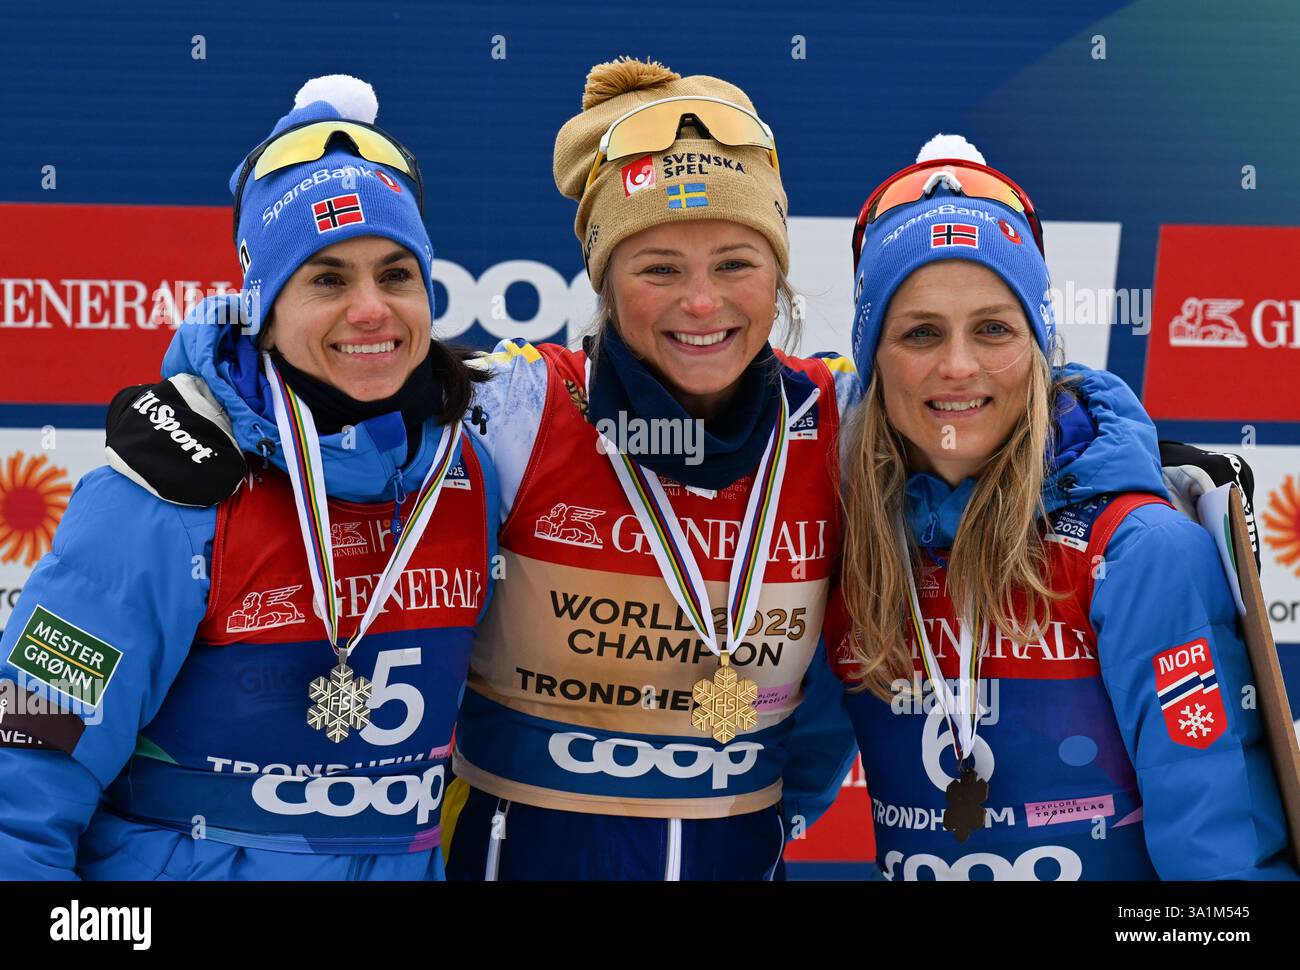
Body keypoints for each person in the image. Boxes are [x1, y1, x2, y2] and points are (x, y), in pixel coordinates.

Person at [99, 58, 861, 881]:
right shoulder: (519, 409)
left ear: (779, 273)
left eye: (736, 263)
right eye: (659, 268)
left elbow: (954, 446)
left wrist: (766, 812)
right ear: (604, 281)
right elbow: (331, 406)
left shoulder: (839, 424)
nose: (702, 302)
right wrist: (198, 407)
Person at [0, 75, 498, 880]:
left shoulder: (466, 468)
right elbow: (25, 757)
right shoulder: (165, 491)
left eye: (396, 274)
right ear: (263, 307)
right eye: (327, 279)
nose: (371, 309)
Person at [828, 136, 1296, 880]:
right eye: (920, 332)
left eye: (994, 329)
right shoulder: (849, 539)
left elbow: (1221, 862)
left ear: (1041, 346)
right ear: (872, 357)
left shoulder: (1136, 551)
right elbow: (770, 776)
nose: (958, 366)